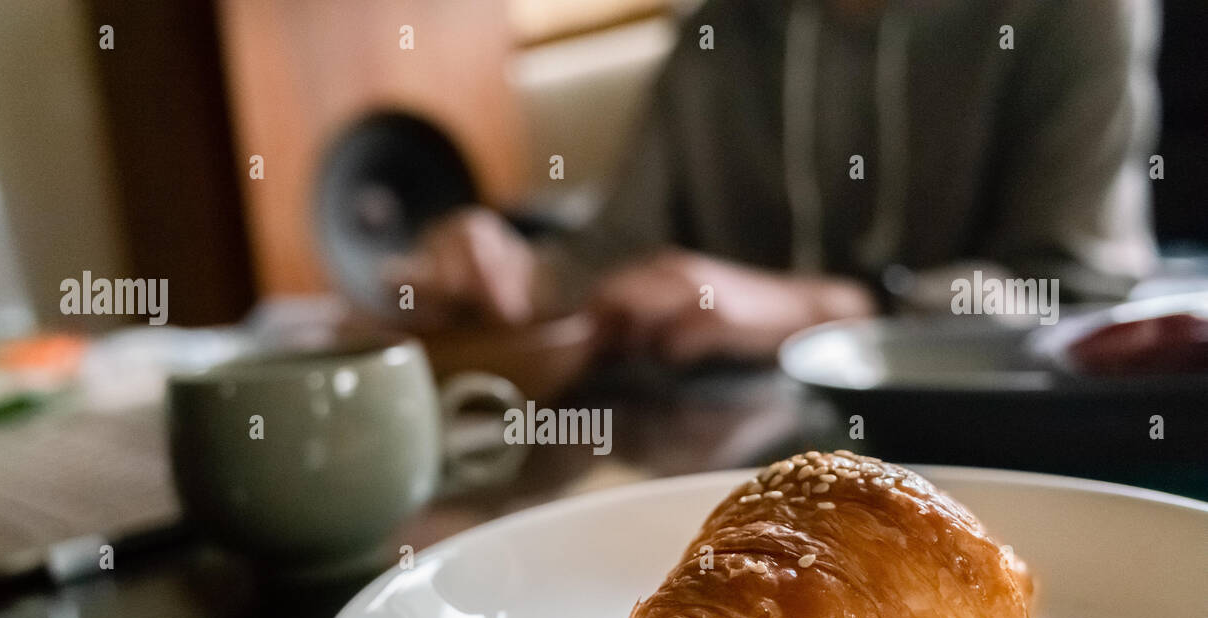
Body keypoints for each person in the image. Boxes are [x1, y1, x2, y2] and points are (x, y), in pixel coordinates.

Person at [387, 0, 1161, 364]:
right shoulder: (718, 34)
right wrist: (508, 275)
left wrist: (824, 306)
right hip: (742, 478)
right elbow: (611, 254)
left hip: (998, 471)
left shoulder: (1074, 14)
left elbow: (1077, 292)